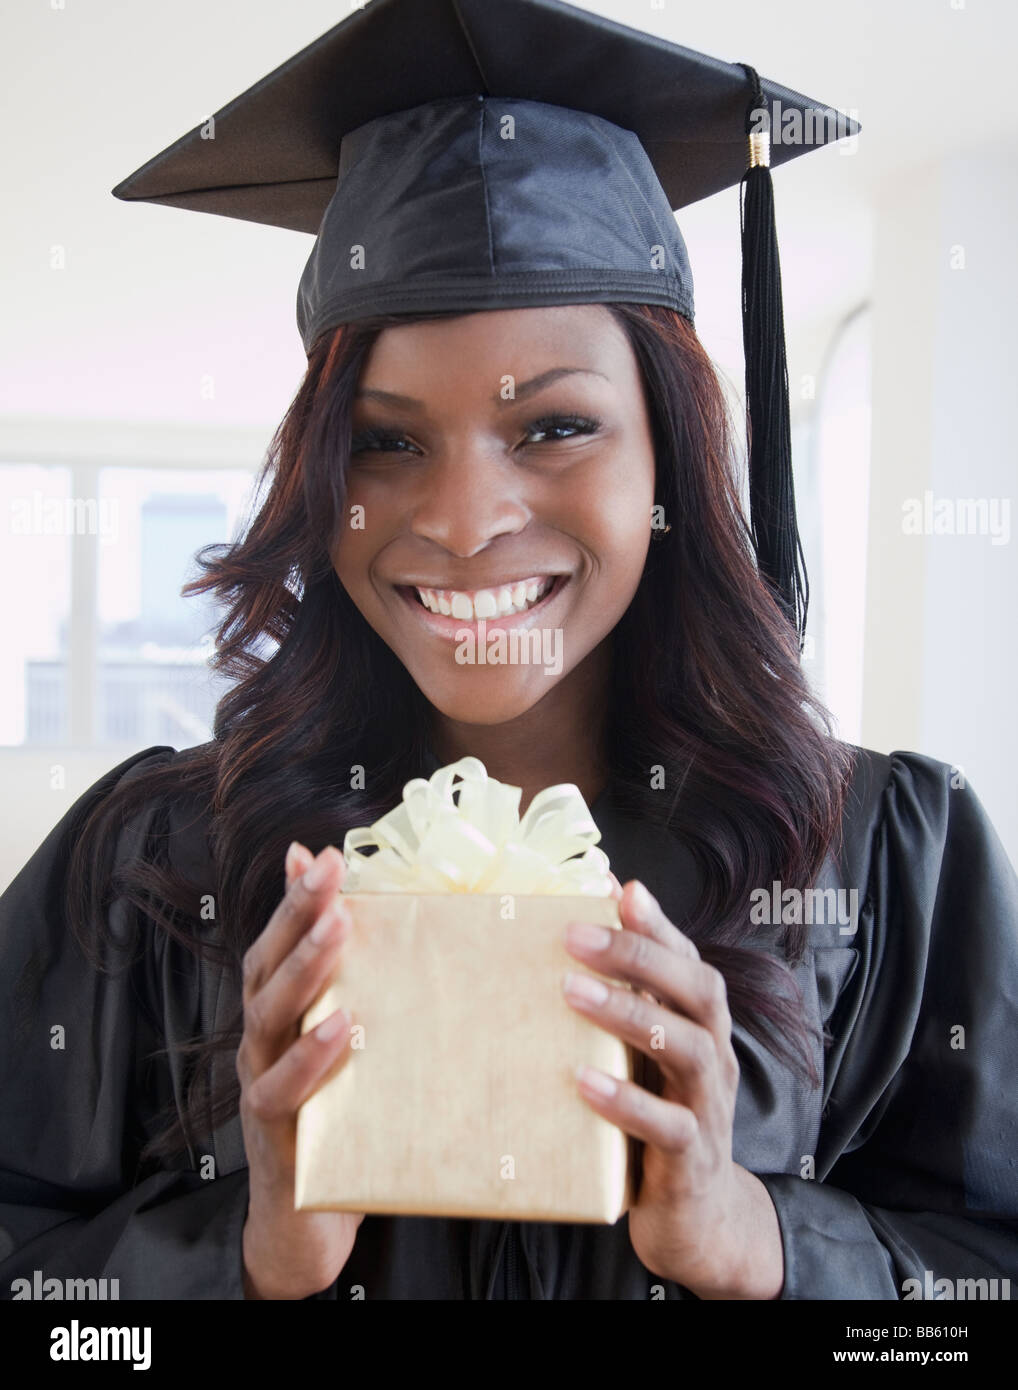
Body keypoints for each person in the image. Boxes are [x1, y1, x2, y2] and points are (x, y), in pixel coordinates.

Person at [2, 0, 1017, 1301]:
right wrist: (243, 1261)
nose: (466, 523)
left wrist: (754, 1242)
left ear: (673, 452)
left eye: (551, 428)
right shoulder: (149, 869)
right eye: (387, 439)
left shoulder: (879, 866)